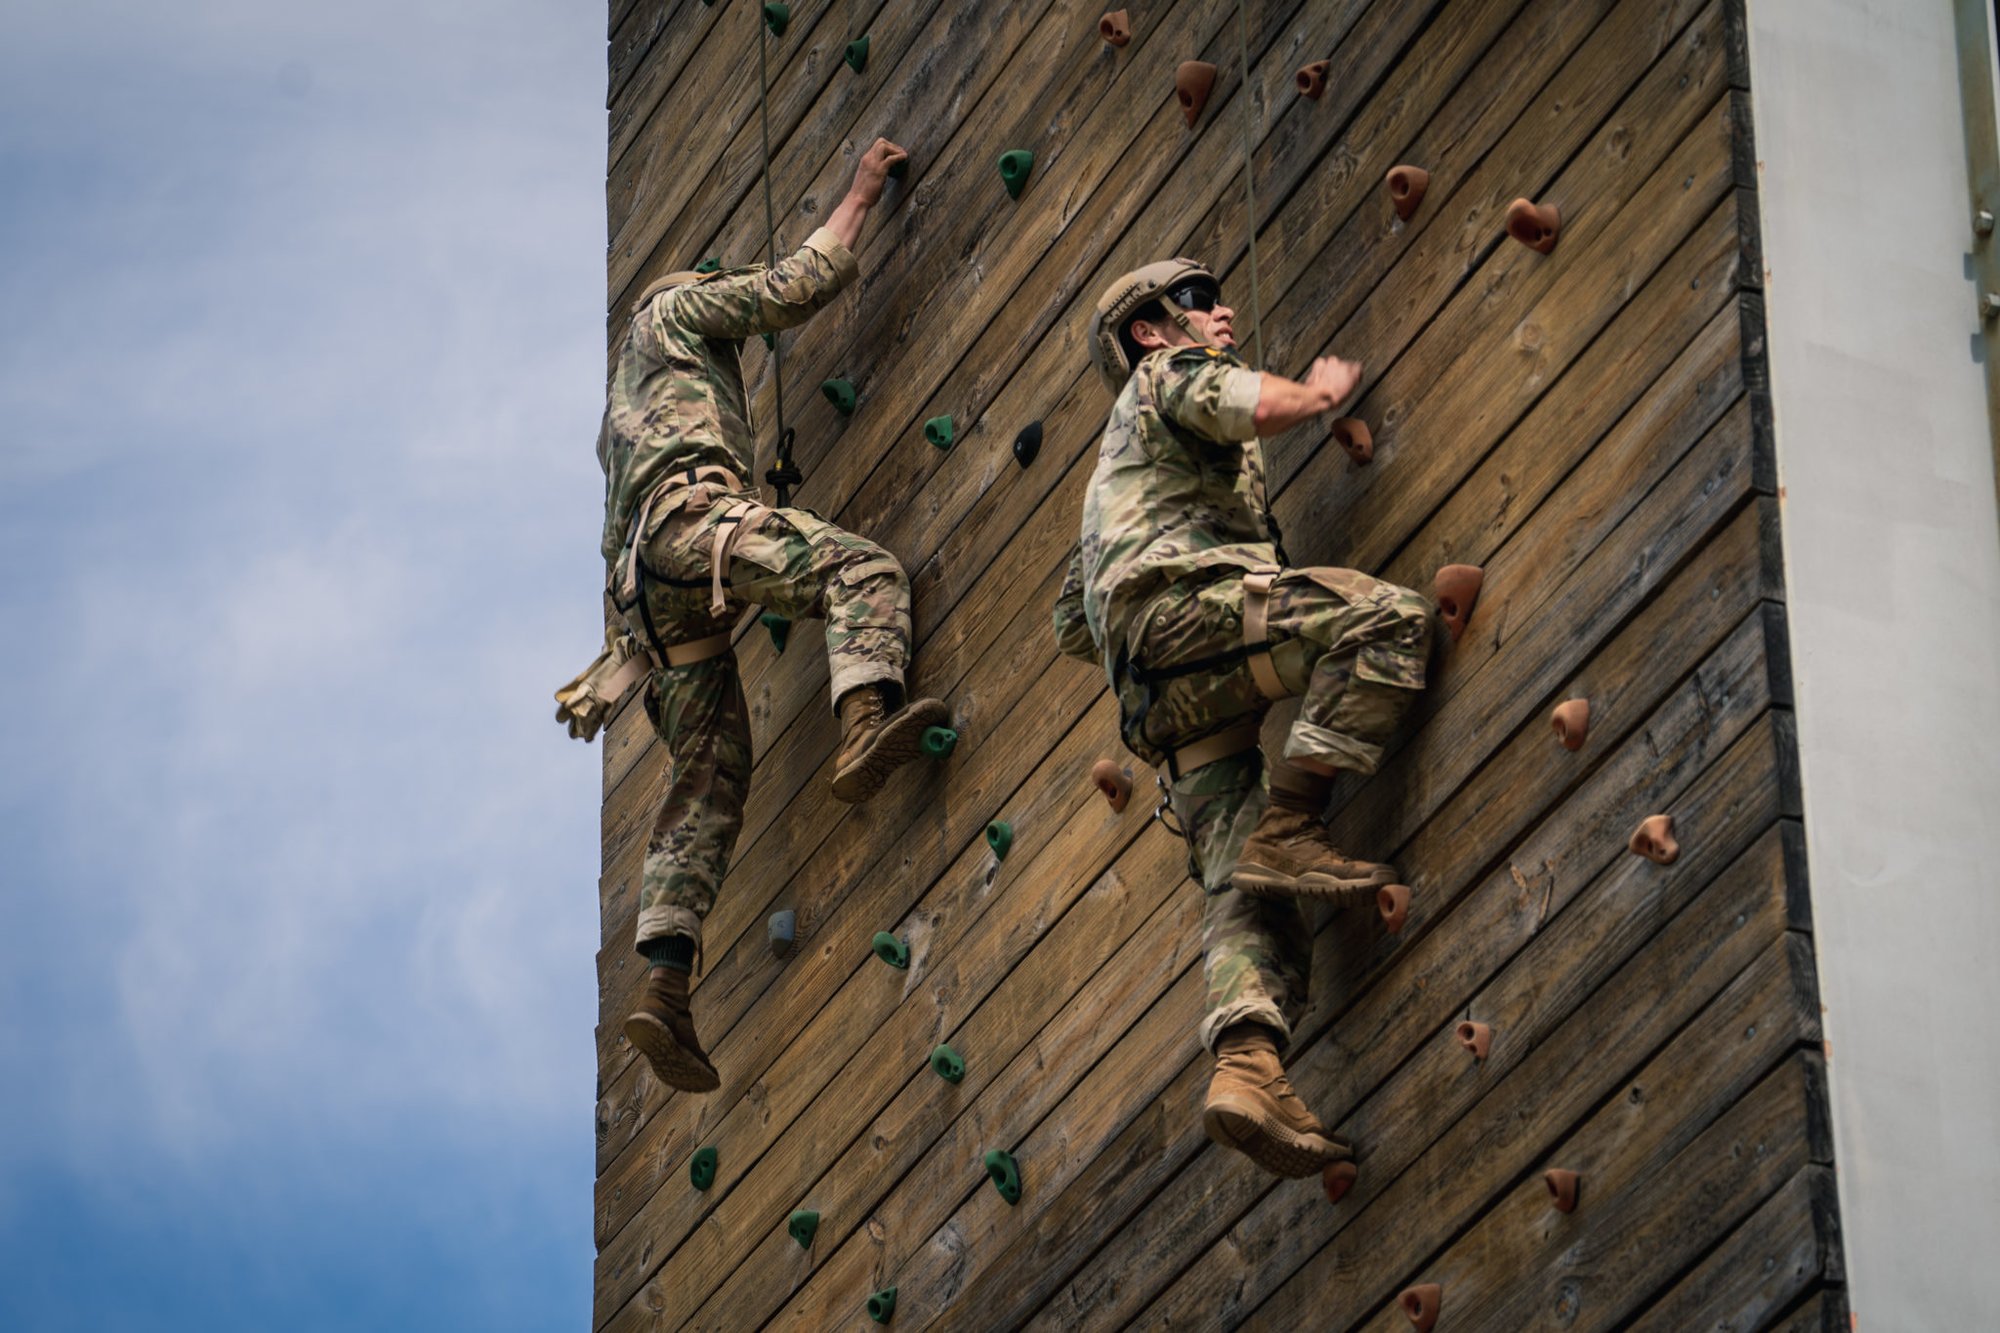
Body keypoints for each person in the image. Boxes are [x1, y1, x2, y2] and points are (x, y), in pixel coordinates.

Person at [1052, 259, 1440, 1177]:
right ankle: (1297, 818)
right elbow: (1250, 406)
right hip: (1182, 619)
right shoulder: (1165, 377)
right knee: (1387, 620)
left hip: (1159, 695)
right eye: (1195, 302)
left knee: (1243, 885)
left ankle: (1248, 1062)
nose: (1219, 311)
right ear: (1149, 330)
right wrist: (1317, 394)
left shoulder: (1120, 471)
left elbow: (1072, 618)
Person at [597, 138, 948, 1093]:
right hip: (691, 524)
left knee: (710, 770)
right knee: (860, 567)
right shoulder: (673, 305)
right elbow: (791, 287)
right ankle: (864, 723)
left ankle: (665, 983)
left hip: (642, 611)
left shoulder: (622, 413)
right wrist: (862, 194)